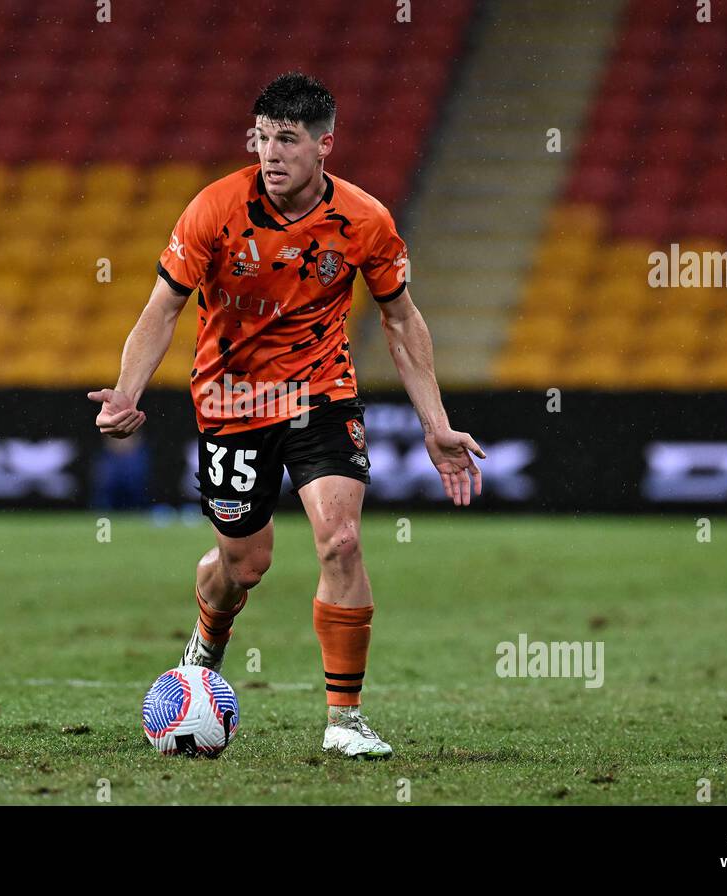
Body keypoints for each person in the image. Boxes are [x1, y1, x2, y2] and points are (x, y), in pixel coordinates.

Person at [89, 71, 485, 758]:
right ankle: (208, 638)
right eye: (263, 137)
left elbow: (401, 320)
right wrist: (128, 392)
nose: (271, 153)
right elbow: (163, 307)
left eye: (288, 140)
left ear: (324, 144)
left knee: (341, 541)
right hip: (230, 400)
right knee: (244, 566)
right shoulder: (215, 209)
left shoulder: (366, 221)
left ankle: (345, 720)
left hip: (321, 394)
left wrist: (435, 423)